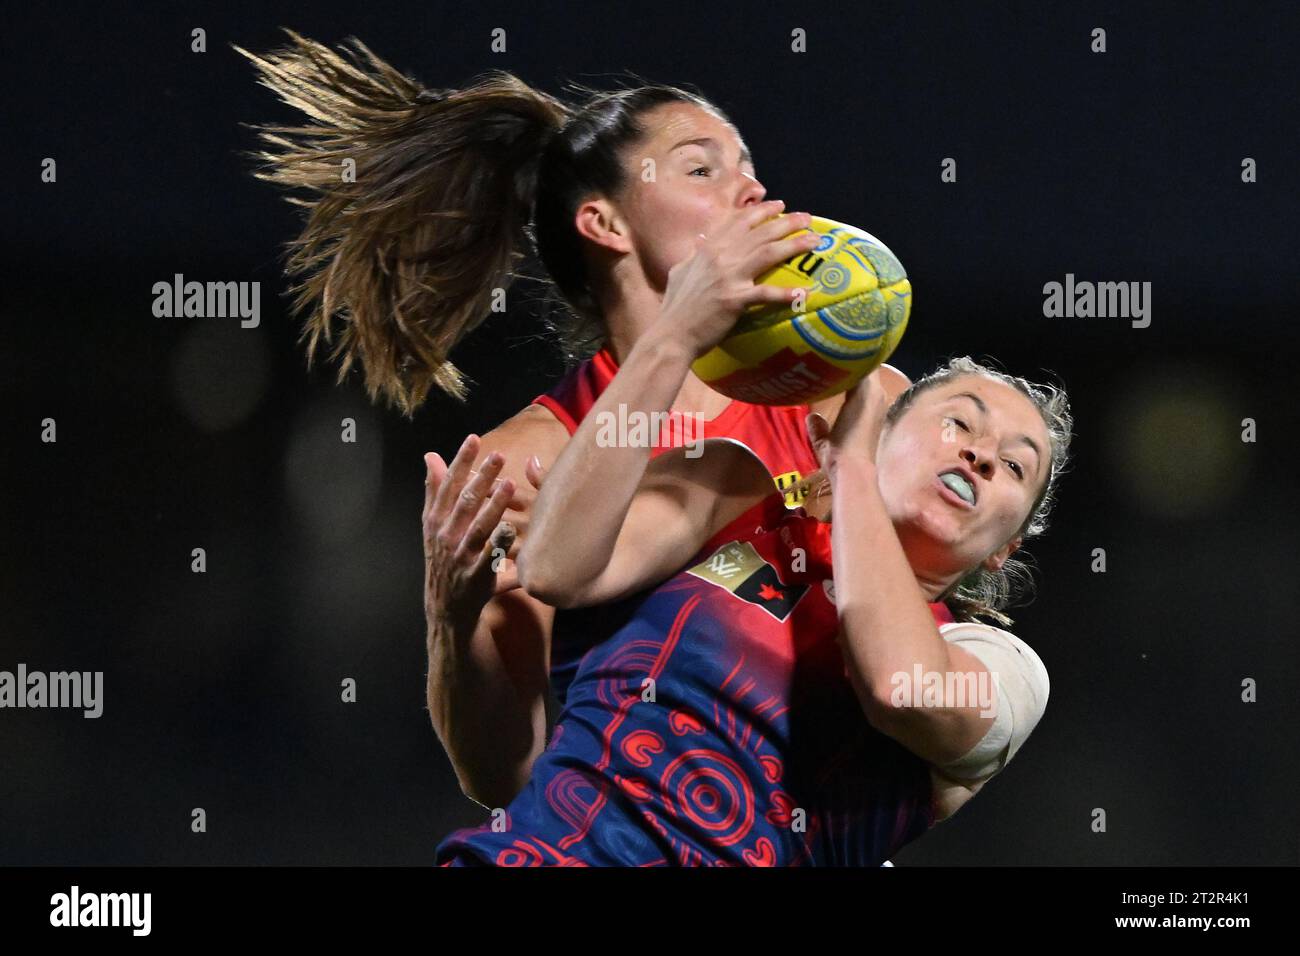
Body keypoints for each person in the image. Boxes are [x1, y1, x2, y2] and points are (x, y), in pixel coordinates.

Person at [236, 31, 914, 810]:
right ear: (605, 224)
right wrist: (452, 626)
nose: (752, 192)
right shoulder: (527, 462)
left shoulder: (839, 399)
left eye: (750, 171)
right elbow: (502, 774)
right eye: (704, 169)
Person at [432, 337, 1073, 865]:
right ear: (886, 431)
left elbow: (900, 688)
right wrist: (458, 615)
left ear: (1004, 549)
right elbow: (554, 571)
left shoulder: (999, 668)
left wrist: (849, 468)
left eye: (1016, 467)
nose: (982, 455)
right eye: (958, 421)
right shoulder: (734, 492)